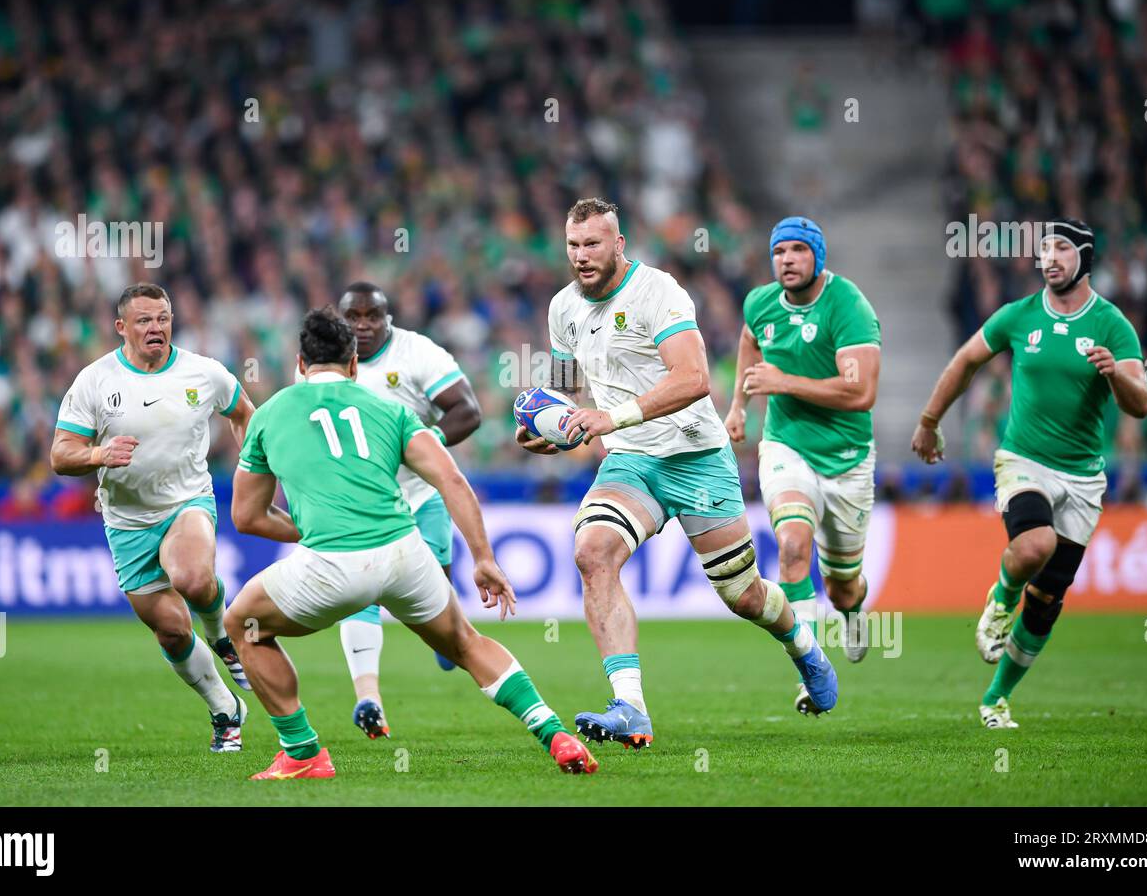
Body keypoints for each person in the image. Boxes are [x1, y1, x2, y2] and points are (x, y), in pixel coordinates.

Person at [517, 198, 839, 750]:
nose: (581, 256)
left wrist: (606, 418)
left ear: (618, 245)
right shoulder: (562, 309)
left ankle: (803, 644)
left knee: (743, 596)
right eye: (573, 245)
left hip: (696, 456)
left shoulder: (658, 291)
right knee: (592, 553)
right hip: (630, 463)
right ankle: (632, 709)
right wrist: (553, 432)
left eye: (593, 244)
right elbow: (570, 396)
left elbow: (693, 378)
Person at [227, 307, 597, 779]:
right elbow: (452, 481)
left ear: (300, 363)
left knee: (244, 624)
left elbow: (247, 516)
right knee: (466, 643)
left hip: (331, 564)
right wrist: (483, 559)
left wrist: (314, 526)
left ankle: (302, 753)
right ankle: (556, 734)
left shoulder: (270, 414)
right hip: (405, 552)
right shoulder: (391, 409)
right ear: (355, 364)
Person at [911, 219, 1147, 728]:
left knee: (1046, 601)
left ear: (1085, 257)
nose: (1049, 258)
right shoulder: (1019, 315)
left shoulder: (1111, 324)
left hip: (1084, 478)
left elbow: (1141, 404)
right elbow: (965, 361)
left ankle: (996, 698)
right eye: (1044, 249)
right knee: (1033, 546)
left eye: (1061, 248)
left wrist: (1116, 375)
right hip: (1024, 460)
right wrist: (930, 420)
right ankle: (1000, 599)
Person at [51, 283, 255, 752]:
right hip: (126, 521)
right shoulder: (96, 380)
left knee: (192, 578)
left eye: (162, 317)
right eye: (144, 320)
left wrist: (251, 467)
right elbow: (61, 455)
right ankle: (225, 710)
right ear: (121, 327)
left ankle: (223, 635)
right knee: (170, 630)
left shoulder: (203, 372)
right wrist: (100, 454)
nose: (156, 327)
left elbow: (243, 413)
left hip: (187, 502)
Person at [306, 282, 481, 740]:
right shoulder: (326, 361)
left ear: (389, 318)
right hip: (359, 503)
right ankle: (369, 697)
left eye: (373, 316)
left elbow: (467, 410)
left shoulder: (419, 353)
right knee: (357, 590)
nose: (363, 325)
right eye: (354, 317)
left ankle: (449, 634)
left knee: (435, 588)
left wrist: (421, 447)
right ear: (340, 320)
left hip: (420, 493)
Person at [726, 216, 882, 713]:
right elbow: (751, 341)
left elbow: (860, 393)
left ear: (818, 256)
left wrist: (783, 382)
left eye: (797, 250)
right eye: (779, 252)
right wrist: (737, 407)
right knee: (792, 545)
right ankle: (810, 665)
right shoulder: (760, 302)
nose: (786, 260)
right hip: (786, 446)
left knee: (841, 585)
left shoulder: (849, 306)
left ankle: (853, 611)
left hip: (846, 459)